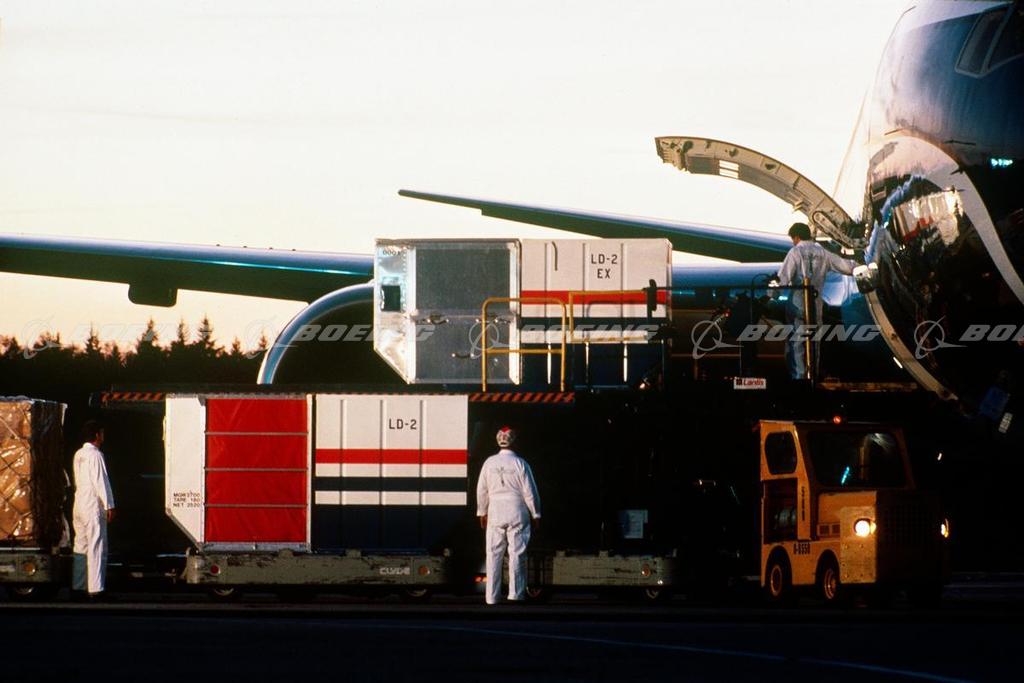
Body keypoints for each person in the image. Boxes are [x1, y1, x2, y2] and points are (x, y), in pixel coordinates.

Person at [776, 222, 856, 380]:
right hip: (816, 306)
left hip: (797, 304)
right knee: (814, 342)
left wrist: (770, 295)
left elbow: (783, 278)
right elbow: (846, 267)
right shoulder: (823, 253)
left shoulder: (795, 252)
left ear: (797, 237)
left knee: (797, 342)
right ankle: (813, 375)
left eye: (793, 239)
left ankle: (799, 378)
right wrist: (865, 266)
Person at [476, 426, 541, 605]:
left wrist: (482, 511)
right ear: (514, 442)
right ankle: (516, 594)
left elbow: (482, 490)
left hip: (495, 511)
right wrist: (536, 513)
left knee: (493, 554)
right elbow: (530, 491)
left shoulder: (489, 463)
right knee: (517, 554)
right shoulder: (521, 463)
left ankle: (491, 597)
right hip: (517, 511)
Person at [72, 420, 116, 598]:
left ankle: (78, 586)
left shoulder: (79, 454)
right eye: (102, 433)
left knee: (81, 545)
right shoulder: (96, 455)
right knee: (96, 545)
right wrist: (110, 505)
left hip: (79, 504)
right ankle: (96, 589)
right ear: (97, 435)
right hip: (92, 505)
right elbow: (101, 481)